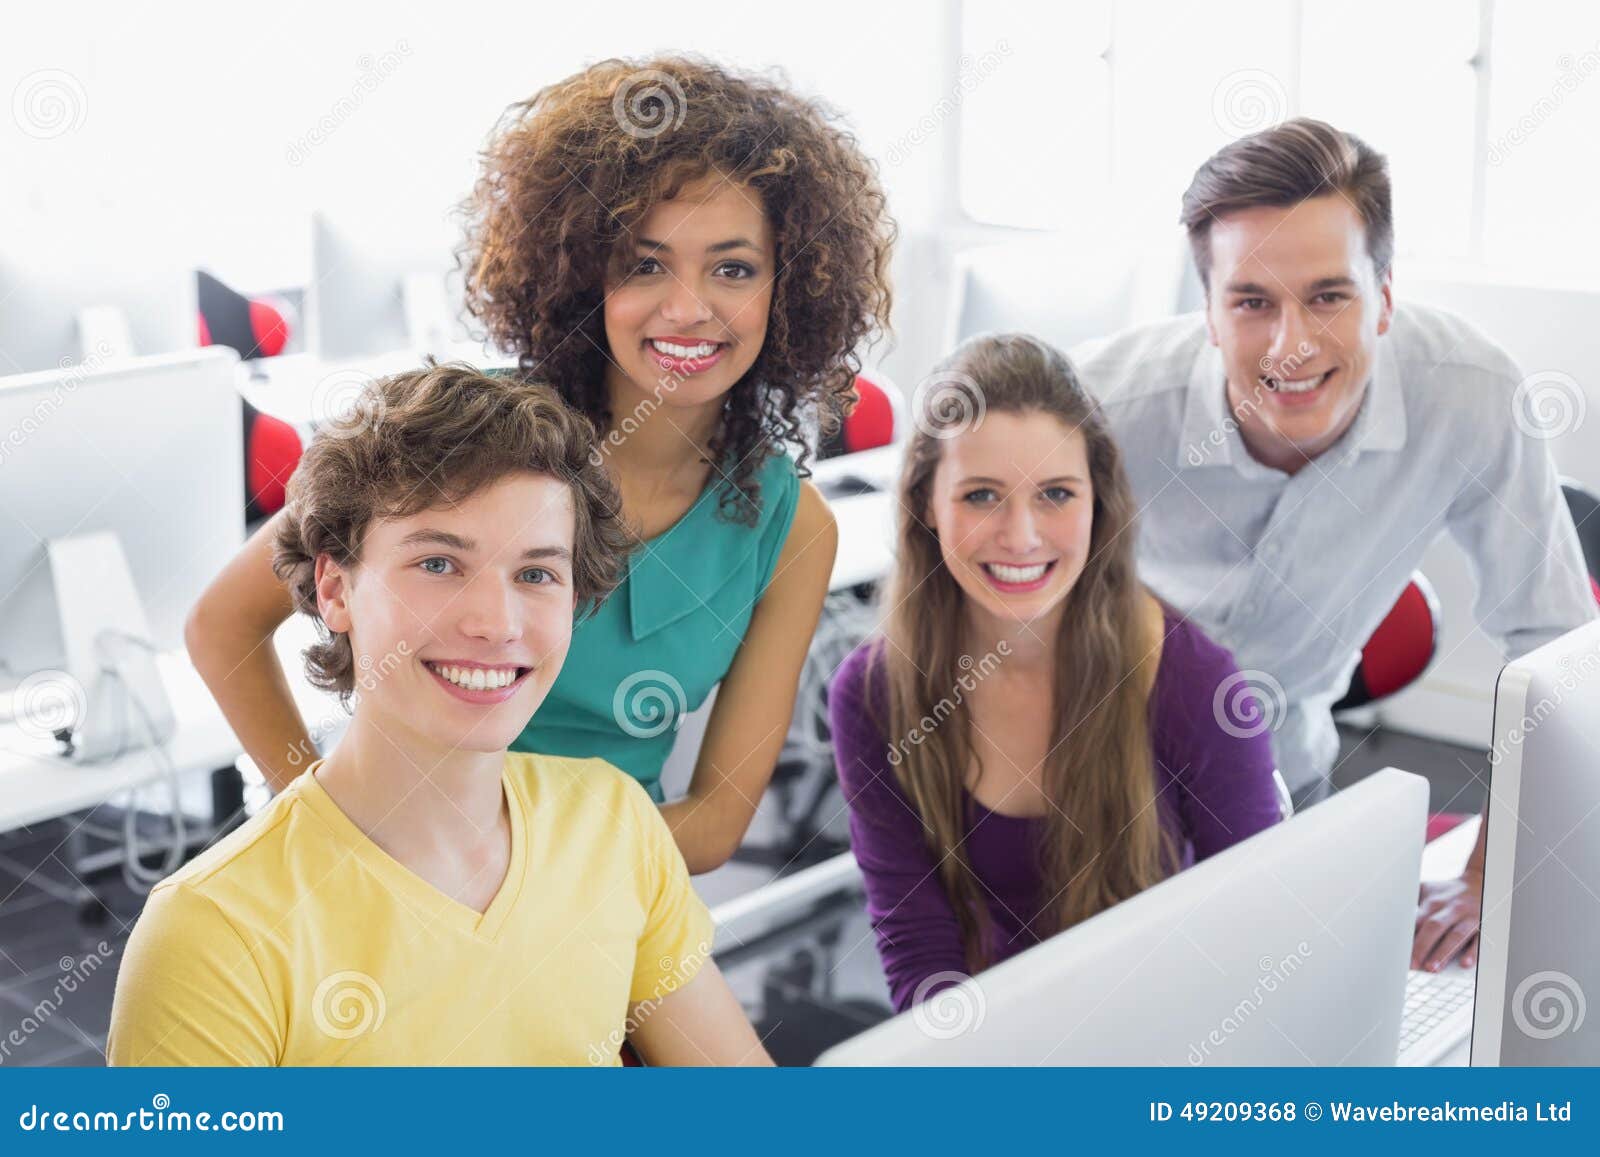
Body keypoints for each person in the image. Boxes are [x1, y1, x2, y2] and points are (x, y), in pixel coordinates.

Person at [184, 56, 895, 873]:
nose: (689, 306)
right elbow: (222, 626)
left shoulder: (791, 525)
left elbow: (713, 824)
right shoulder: (462, 431)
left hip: (597, 896)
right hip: (394, 870)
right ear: (584, 274)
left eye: (733, 268)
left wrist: (507, 877)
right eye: (645, 263)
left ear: (788, 288)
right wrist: (336, 832)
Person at [109, 366, 770, 1065]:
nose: (495, 622)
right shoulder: (210, 933)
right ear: (335, 588)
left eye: (537, 573)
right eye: (438, 564)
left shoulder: (614, 821)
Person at [1069, 118, 1597, 971]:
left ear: (1384, 297)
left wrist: (1491, 873)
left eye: (1328, 295)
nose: (1292, 345)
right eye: (1251, 302)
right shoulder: (1098, 408)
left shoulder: (1469, 394)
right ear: (1206, 313)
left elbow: (1559, 647)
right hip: (1088, 804)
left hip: (1291, 792)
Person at [828, 334, 1283, 1010]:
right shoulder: (873, 694)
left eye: (1056, 494)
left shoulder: (1196, 683)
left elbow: (1254, 944)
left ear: (1098, 502)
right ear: (927, 503)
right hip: (996, 1048)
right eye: (981, 495)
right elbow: (919, 950)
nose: (1021, 536)